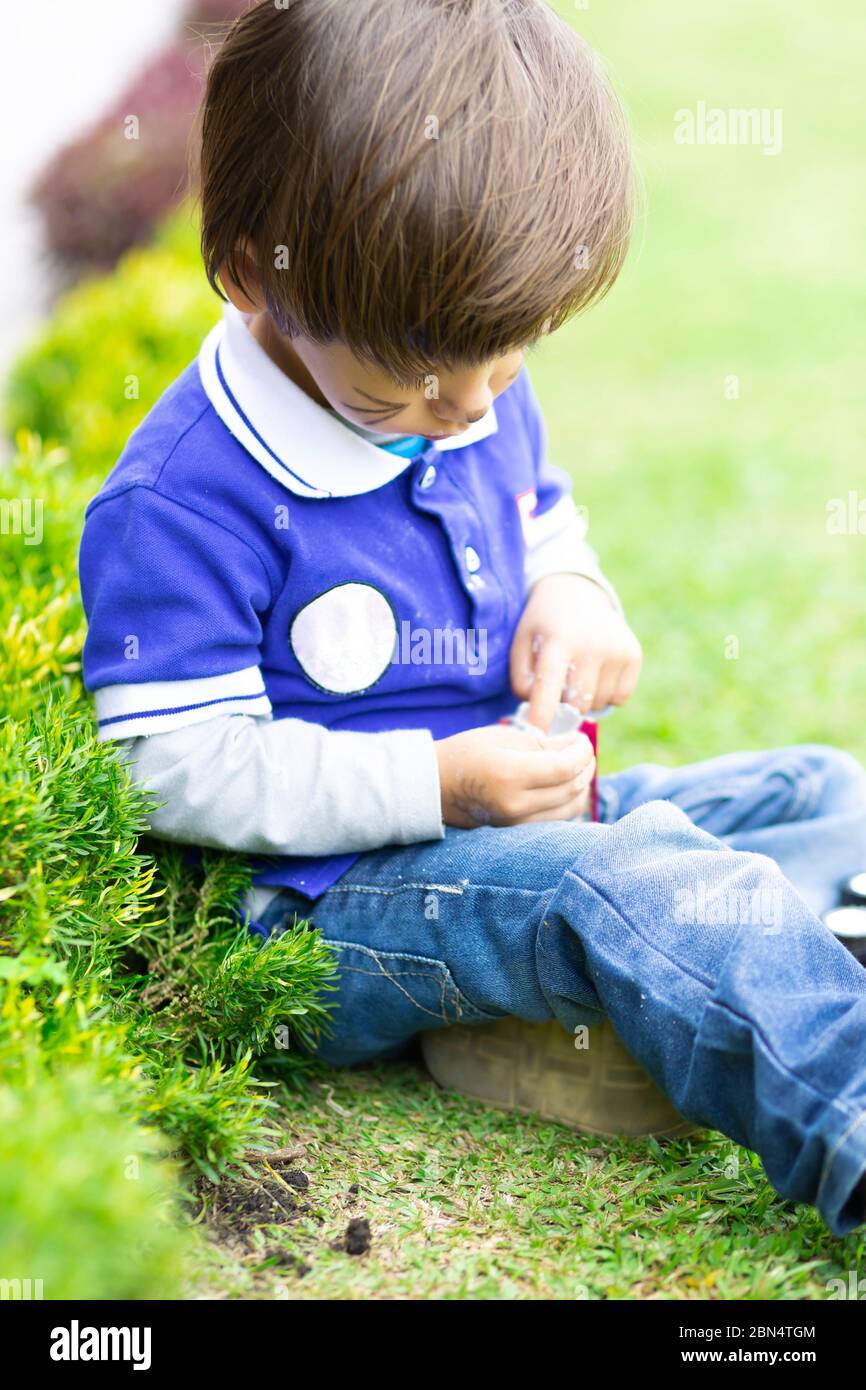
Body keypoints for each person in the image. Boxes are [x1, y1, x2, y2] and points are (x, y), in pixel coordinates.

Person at [78, 0, 866, 1234]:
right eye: (408, 387)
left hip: (517, 844)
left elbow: (540, 513)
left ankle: (596, 1009)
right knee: (632, 890)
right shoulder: (183, 500)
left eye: (504, 365)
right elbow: (169, 769)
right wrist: (437, 784)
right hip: (333, 909)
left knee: (820, 790)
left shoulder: (458, 364)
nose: (469, 410)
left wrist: (570, 590)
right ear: (250, 277)